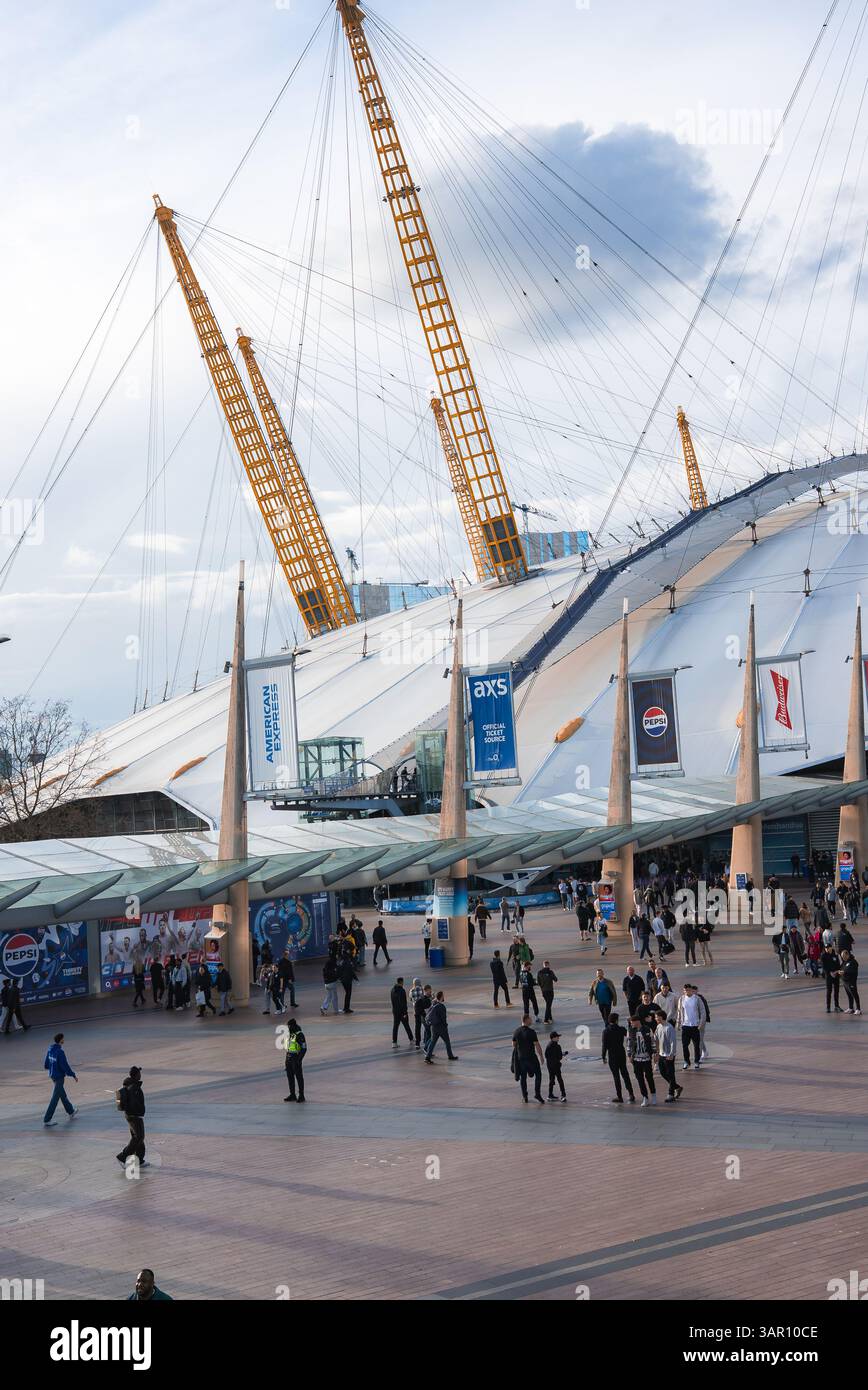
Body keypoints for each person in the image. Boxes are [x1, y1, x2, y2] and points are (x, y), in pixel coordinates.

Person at [43, 1033, 78, 1125]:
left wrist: (50, 1068)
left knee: (62, 1094)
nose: (64, 1040)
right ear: (61, 1040)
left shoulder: (50, 1049)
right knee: (55, 1098)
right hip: (59, 1077)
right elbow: (64, 1066)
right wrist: (72, 1074)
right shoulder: (60, 1052)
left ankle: (71, 1111)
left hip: (52, 1075)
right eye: (63, 1039)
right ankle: (47, 1119)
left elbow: (47, 1063)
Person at [116, 1066, 147, 1168]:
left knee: (138, 1137)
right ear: (135, 1075)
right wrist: (138, 1113)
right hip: (134, 1116)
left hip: (131, 1115)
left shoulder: (131, 1085)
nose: (140, 1075)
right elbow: (134, 1103)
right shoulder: (133, 1087)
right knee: (138, 1137)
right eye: (139, 1073)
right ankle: (122, 1156)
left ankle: (139, 1160)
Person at [601, 1011, 635, 1103]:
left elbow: (604, 1045)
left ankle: (619, 1096)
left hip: (612, 1055)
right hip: (621, 1053)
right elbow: (629, 1034)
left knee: (616, 1076)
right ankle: (631, 1094)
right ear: (616, 1020)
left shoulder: (606, 1031)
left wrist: (603, 1056)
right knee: (625, 1074)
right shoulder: (621, 1029)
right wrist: (629, 1023)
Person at [511, 1014, 544, 1103]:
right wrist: (541, 1056)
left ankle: (525, 1096)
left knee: (523, 1078)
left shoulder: (516, 1032)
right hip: (531, 1058)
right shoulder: (531, 1032)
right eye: (530, 1019)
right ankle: (537, 1094)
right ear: (526, 1020)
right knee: (538, 1075)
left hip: (521, 1059)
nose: (531, 1020)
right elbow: (537, 1045)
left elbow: (513, 1044)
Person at [626, 1015, 657, 1106]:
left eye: (632, 1022)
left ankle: (653, 1094)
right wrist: (629, 1055)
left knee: (649, 1077)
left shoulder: (647, 1029)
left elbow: (652, 1042)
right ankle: (645, 1097)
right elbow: (628, 1043)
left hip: (646, 1058)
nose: (631, 1024)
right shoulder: (630, 1031)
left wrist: (655, 1053)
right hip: (636, 1059)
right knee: (639, 1078)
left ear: (637, 1021)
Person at [654, 1009, 683, 1102]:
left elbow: (672, 1042)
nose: (655, 1018)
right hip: (662, 1054)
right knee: (663, 1073)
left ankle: (670, 1094)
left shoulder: (669, 1027)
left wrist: (671, 1054)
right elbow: (656, 1039)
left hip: (669, 1055)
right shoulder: (658, 1027)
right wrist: (657, 1052)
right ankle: (677, 1087)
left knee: (671, 1074)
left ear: (661, 1017)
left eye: (656, 1017)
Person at [424, 990, 459, 1062]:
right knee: (447, 1042)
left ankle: (427, 1057)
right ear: (441, 997)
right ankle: (450, 1056)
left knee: (433, 1042)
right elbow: (443, 1018)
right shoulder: (441, 1007)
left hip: (433, 1027)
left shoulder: (434, 1004)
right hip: (441, 1027)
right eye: (443, 996)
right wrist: (445, 1025)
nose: (444, 997)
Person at [676, 983, 704, 1069]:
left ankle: (696, 1061)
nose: (686, 992)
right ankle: (686, 1061)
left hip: (695, 1025)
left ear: (691, 990)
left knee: (696, 1045)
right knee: (685, 1045)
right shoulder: (682, 999)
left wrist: (700, 1024)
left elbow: (702, 1012)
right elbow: (679, 1011)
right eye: (685, 990)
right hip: (685, 1025)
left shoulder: (697, 999)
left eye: (688, 990)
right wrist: (678, 1023)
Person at [282, 1018, 307, 1102]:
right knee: (290, 1077)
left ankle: (301, 1095)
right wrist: (286, 1060)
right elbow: (289, 1048)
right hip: (289, 1058)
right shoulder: (291, 1034)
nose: (288, 1028)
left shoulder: (300, 1034)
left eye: (289, 1026)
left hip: (296, 1059)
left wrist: (299, 1060)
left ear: (292, 1026)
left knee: (299, 1077)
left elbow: (304, 1049)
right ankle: (292, 1094)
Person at [545, 1031, 567, 1102]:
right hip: (556, 1066)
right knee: (560, 1080)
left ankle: (550, 1095)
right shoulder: (557, 1046)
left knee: (551, 1080)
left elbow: (546, 1055)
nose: (558, 1038)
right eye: (557, 1037)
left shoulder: (548, 1046)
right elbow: (559, 1057)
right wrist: (563, 1054)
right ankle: (563, 1095)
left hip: (550, 1066)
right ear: (553, 1038)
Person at [390, 977, 414, 1046]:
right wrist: (404, 1012)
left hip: (395, 1011)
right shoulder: (402, 990)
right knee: (406, 1025)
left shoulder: (392, 990)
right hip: (402, 1012)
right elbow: (403, 1002)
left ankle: (394, 1042)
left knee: (395, 1027)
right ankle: (411, 1039)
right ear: (401, 982)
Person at [821, 944, 843, 1013]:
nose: (827, 949)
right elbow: (824, 967)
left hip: (836, 975)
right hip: (829, 975)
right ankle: (828, 1007)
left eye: (828, 948)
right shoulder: (823, 956)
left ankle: (837, 1006)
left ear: (831, 948)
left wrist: (838, 971)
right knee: (829, 991)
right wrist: (830, 972)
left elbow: (838, 964)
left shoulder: (835, 955)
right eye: (826, 948)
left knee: (836, 991)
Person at [841, 950, 861, 1014]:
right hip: (845, 981)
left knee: (854, 995)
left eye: (844, 956)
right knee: (849, 995)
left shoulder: (853, 962)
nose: (843, 958)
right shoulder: (844, 962)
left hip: (851, 981)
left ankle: (858, 1009)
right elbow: (841, 967)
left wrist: (845, 972)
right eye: (842, 957)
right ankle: (851, 1008)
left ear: (847, 955)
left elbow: (853, 971)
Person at [408, 978, 426, 1048]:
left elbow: (410, 999)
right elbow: (424, 998)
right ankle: (425, 1040)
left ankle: (417, 1043)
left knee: (417, 1027)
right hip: (422, 1010)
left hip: (416, 1011)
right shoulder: (422, 989)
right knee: (426, 1025)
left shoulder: (411, 990)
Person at [417, 983, 434, 1051]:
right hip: (426, 1018)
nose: (430, 992)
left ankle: (425, 1043)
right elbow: (428, 1009)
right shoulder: (425, 999)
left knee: (426, 1031)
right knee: (429, 1033)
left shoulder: (423, 998)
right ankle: (426, 1048)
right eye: (430, 991)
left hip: (423, 1018)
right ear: (426, 990)